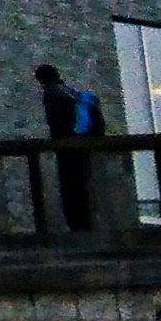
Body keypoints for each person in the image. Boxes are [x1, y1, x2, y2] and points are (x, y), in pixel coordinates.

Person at [35, 62, 107, 230]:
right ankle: (87, 224)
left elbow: (56, 124)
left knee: (71, 189)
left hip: (68, 149)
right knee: (83, 187)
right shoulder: (71, 92)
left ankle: (77, 226)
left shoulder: (51, 94)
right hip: (84, 146)